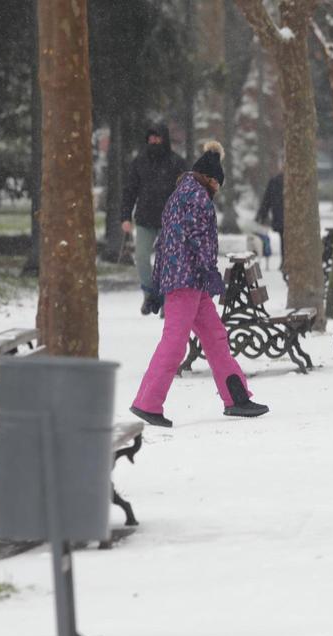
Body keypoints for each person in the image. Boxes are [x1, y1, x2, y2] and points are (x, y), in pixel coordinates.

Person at [130, 141, 269, 427]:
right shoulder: (197, 198)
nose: (217, 189)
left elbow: (164, 244)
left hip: (188, 282)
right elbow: (200, 241)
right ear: (210, 178)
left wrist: (158, 285)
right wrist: (210, 273)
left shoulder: (179, 195)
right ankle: (148, 403)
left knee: (216, 337)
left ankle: (237, 397)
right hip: (188, 282)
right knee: (175, 342)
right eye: (217, 183)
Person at [122, 123, 188, 315]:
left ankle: (168, 300)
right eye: (150, 138)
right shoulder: (139, 163)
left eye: (157, 137)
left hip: (171, 221)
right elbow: (129, 190)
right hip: (144, 219)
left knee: (168, 260)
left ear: (164, 139)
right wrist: (125, 216)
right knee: (141, 257)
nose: (154, 141)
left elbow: (188, 191)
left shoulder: (178, 163)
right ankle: (150, 294)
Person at [257, 172, 285, 265]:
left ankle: (284, 261)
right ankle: (286, 261)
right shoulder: (295, 180)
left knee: (283, 240)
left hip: (280, 217)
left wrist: (261, 216)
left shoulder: (275, 181)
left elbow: (267, 200)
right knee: (287, 240)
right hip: (286, 217)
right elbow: (267, 199)